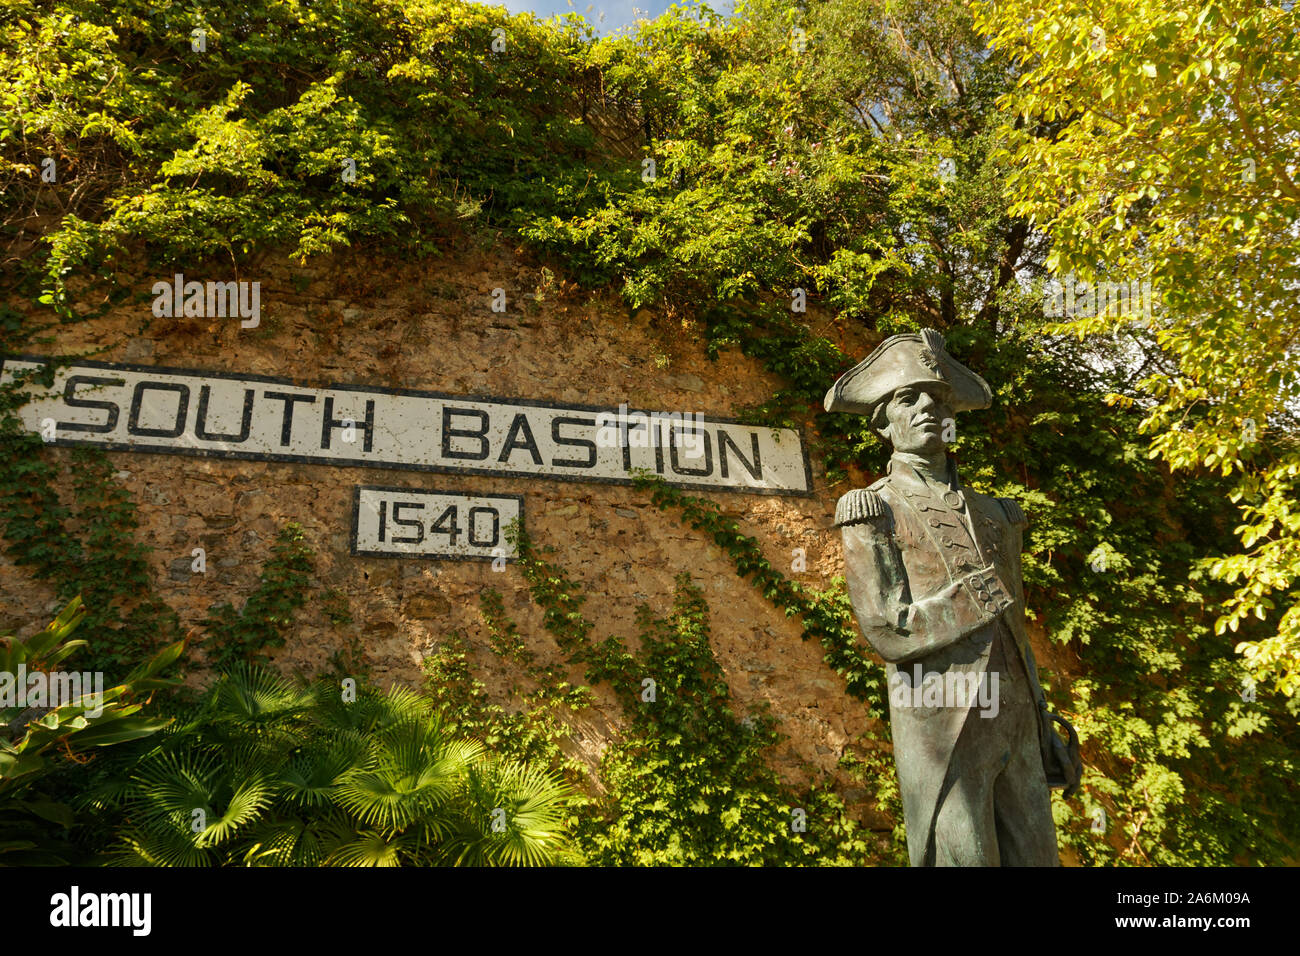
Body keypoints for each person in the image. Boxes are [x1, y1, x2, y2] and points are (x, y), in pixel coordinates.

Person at [825, 328, 1080, 866]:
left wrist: (1040, 719)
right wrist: (968, 600)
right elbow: (887, 628)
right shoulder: (873, 509)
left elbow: (1018, 633)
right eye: (907, 397)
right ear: (883, 422)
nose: (926, 407)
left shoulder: (998, 514)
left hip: (1014, 718)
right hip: (941, 727)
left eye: (937, 399)